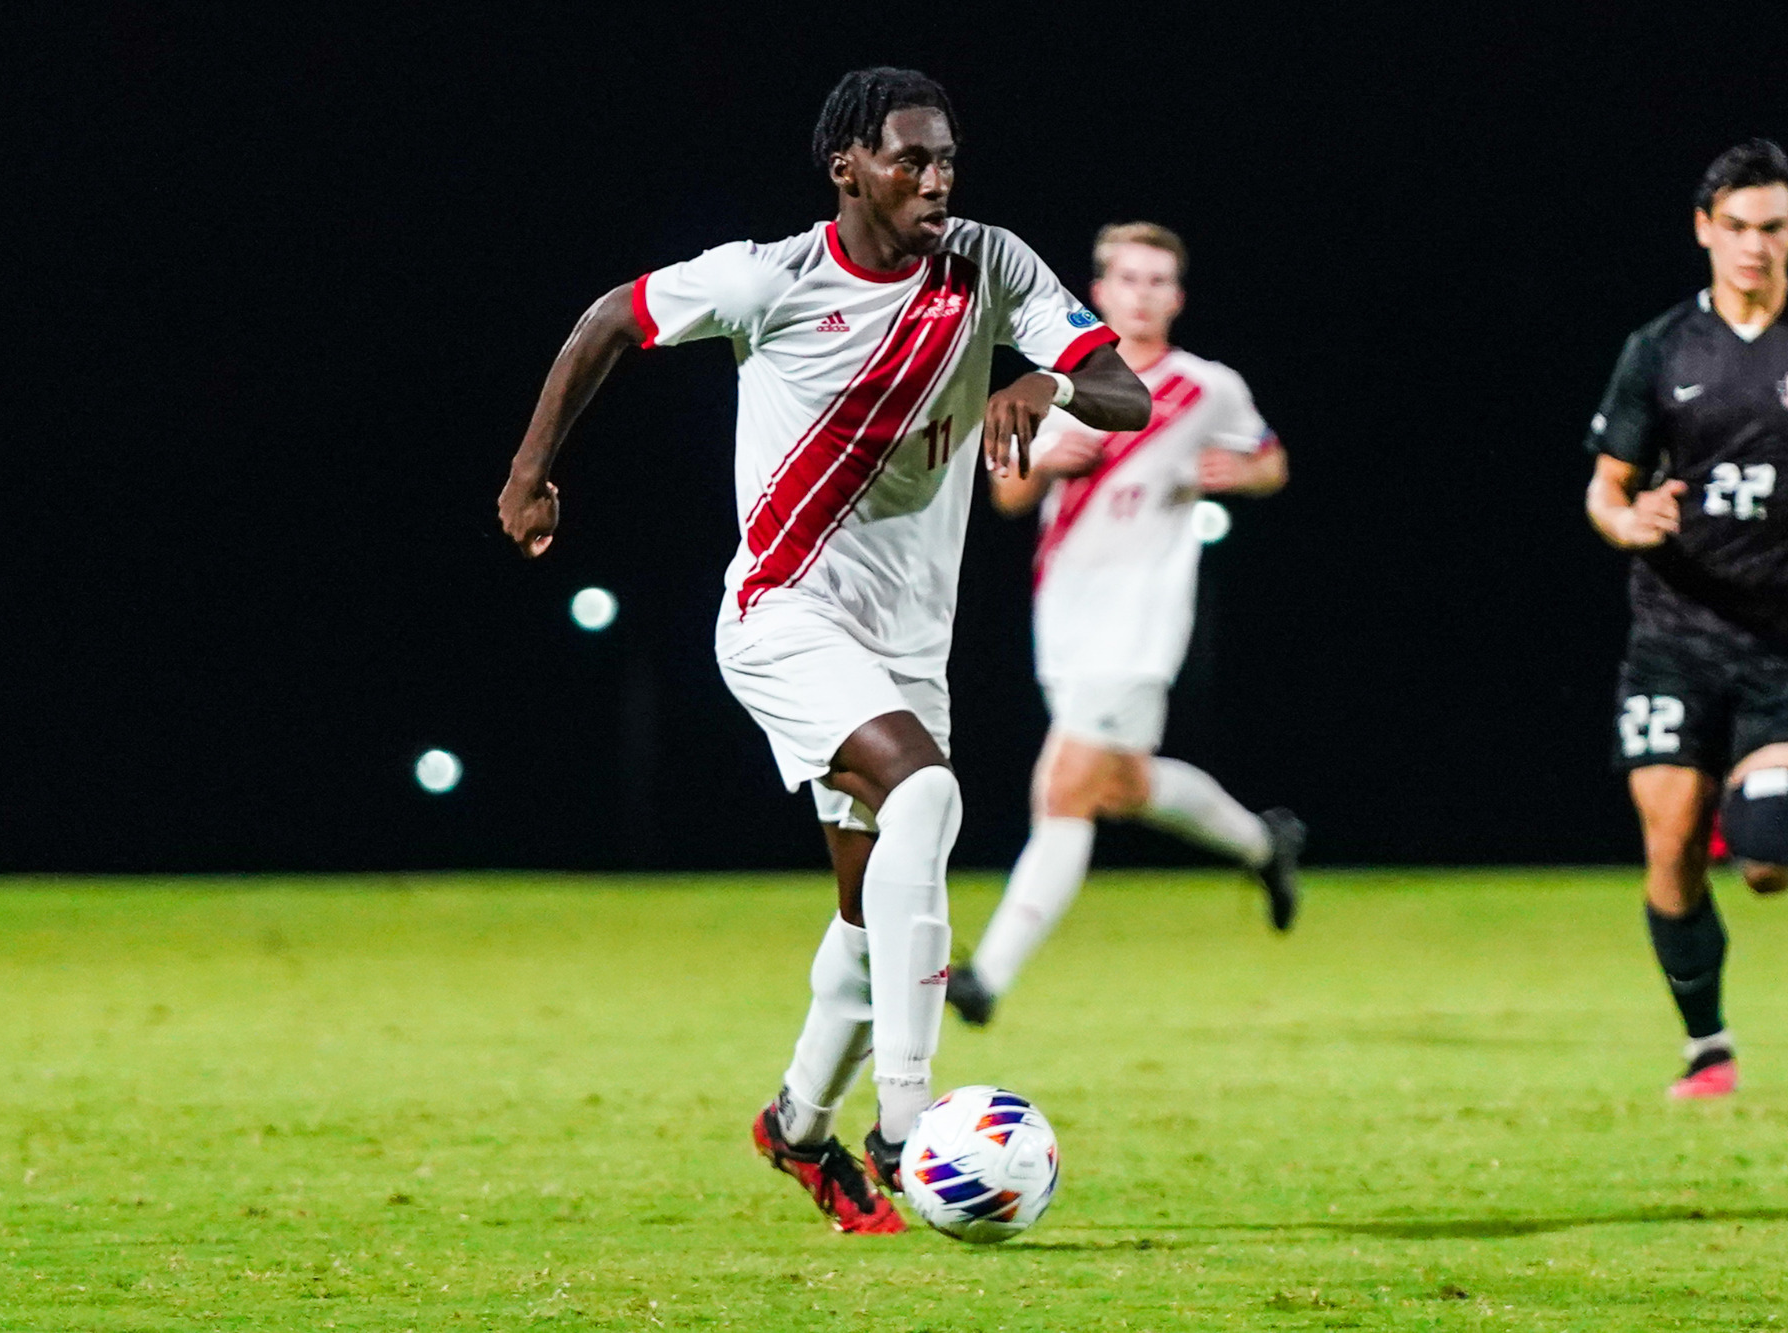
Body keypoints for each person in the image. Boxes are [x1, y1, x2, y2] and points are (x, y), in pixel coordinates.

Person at [496, 68, 1149, 1230]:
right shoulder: (770, 276)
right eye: (910, 159)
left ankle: (795, 1127)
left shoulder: (987, 265)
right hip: (783, 616)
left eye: (946, 158)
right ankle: (906, 1127)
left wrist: (1041, 379)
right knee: (930, 796)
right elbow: (609, 317)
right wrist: (529, 471)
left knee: (869, 913)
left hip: (909, 645)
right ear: (846, 168)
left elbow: (1122, 392)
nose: (936, 179)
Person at [945, 222, 1304, 1029]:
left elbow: (1271, 460)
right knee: (1126, 785)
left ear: (1176, 297)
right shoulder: (1056, 387)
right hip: (1065, 616)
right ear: (1097, 292)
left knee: (1064, 788)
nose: (1141, 294)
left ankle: (987, 978)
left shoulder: (1204, 387)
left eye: (1157, 281)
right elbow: (1005, 497)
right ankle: (1262, 844)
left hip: (1142, 621)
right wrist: (1040, 465)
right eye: (1127, 279)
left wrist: (1241, 472)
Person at [1583, 140, 1788, 1099]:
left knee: (1773, 861)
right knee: (1666, 846)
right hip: (1672, 639)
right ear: (1705, 230)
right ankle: (1709, 1046)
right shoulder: (1660, 349)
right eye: (1735, 227)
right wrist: (1630, 519)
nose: (1753, 245)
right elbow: (1604, 490)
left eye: (1772, 228)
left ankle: (1737, 811)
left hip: (1787, 646)